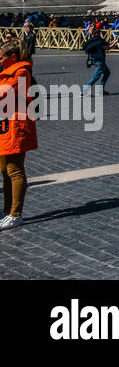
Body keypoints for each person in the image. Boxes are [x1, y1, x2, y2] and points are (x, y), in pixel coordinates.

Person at [0, 37, 37, 229]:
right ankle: (7, 211)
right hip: (5, 125)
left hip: (16, 125)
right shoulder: (7, 72)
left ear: (12, 57)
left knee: (14, 170)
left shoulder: (20, 72)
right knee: (5, 170)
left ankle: (16, 213)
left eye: (1, 58)